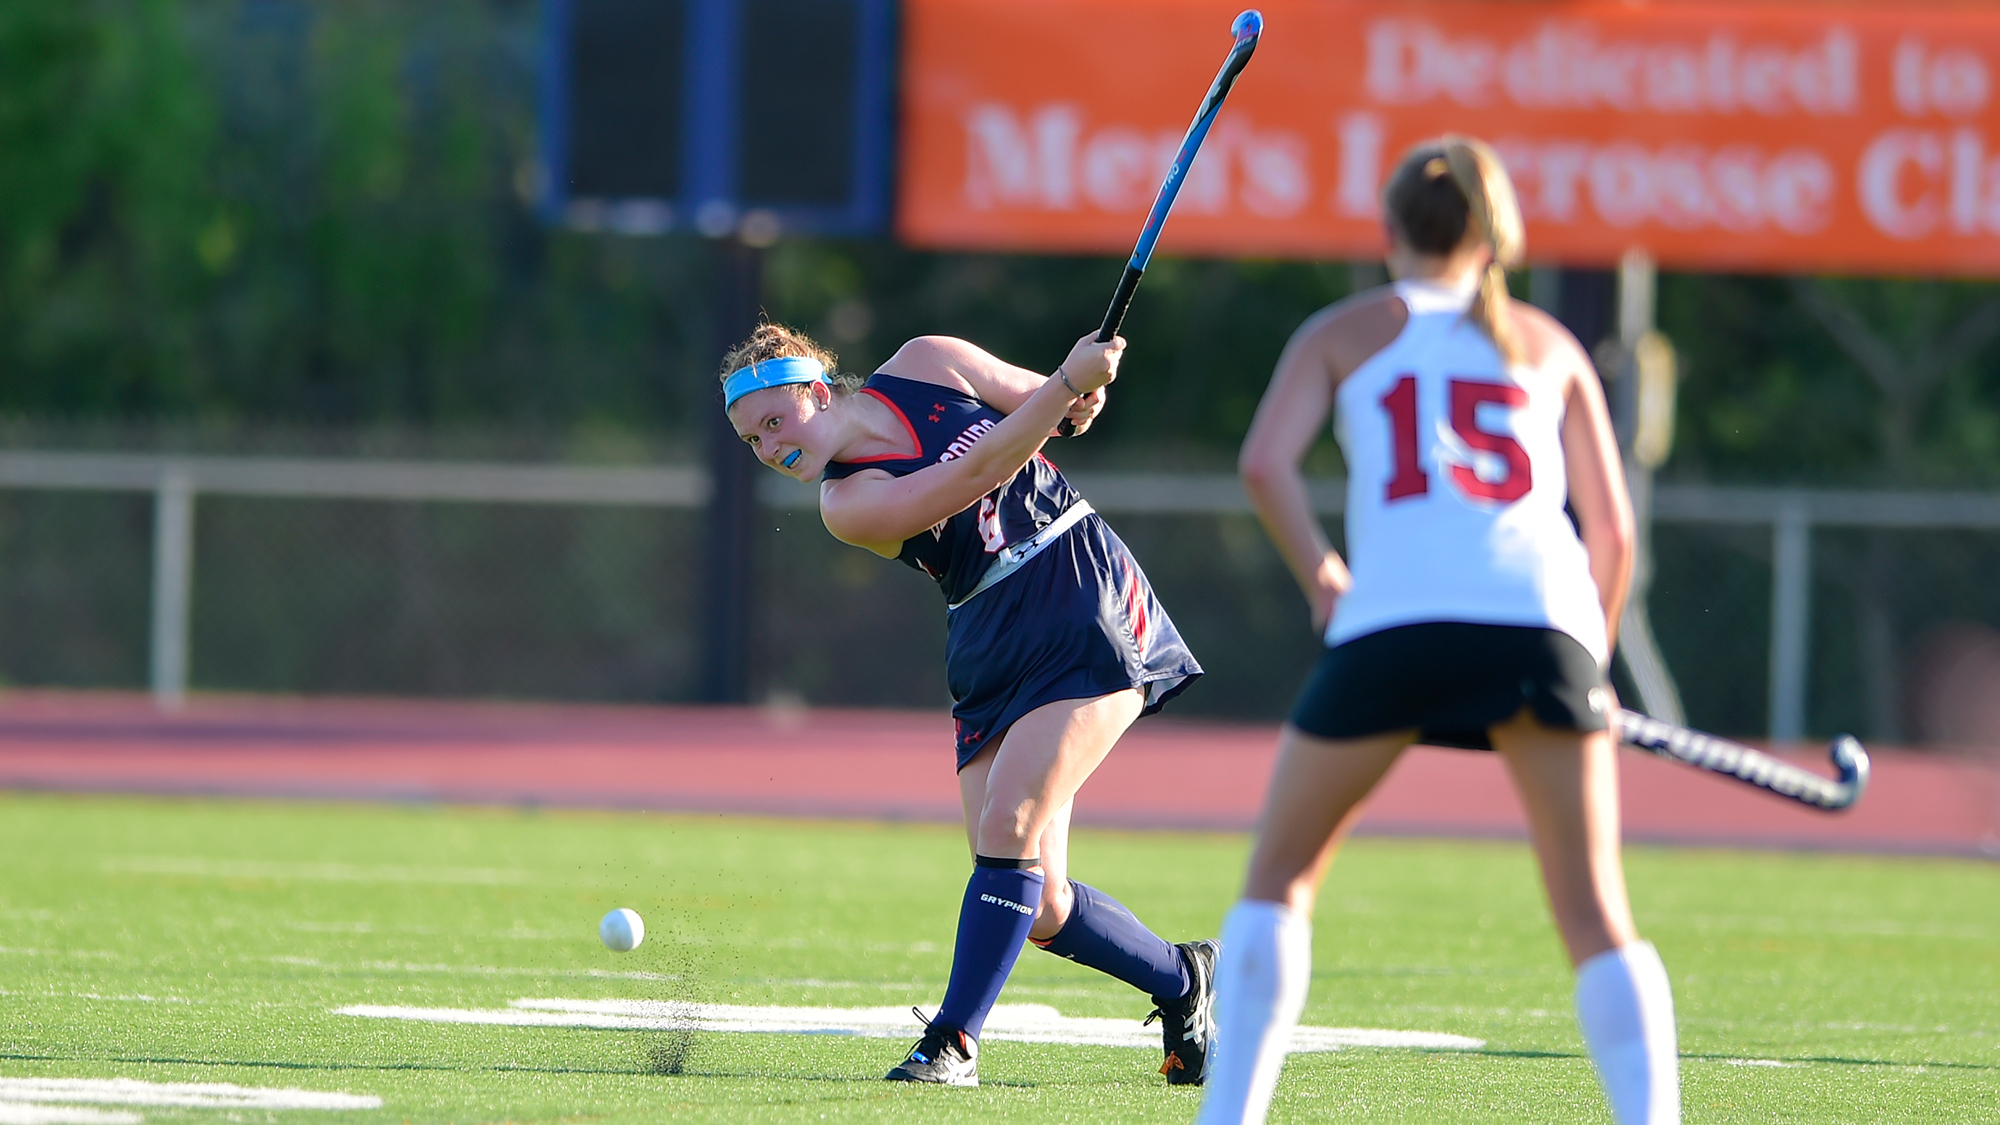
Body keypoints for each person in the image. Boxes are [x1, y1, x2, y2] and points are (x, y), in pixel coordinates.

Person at [1194, 136, 1680, 1125]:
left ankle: (1228, 1116)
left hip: (1392, 625)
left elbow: (1261, 464)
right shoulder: (1548, 345)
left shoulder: (1343, 331)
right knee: (1594, 916)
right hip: (1541, 628)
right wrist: (1591, 665)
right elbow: (1612, 532)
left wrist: (1324, 576)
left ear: (1386, 233)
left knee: (1277, 883)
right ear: (1496, 231)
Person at [720, 321, 1217, 1087]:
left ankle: (953, 1040)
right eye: (753, 440)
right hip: (987, 633)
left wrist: (1076, 394)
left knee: (1007, 825)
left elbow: (1042, 404)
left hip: (1077, 589)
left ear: (817, 390)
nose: (770, 448)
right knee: (1042, 901)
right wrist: (1061, 392)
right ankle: (1185, 980)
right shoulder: (848, 502)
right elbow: (973, 473)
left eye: (774, 422)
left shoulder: (926, 362)